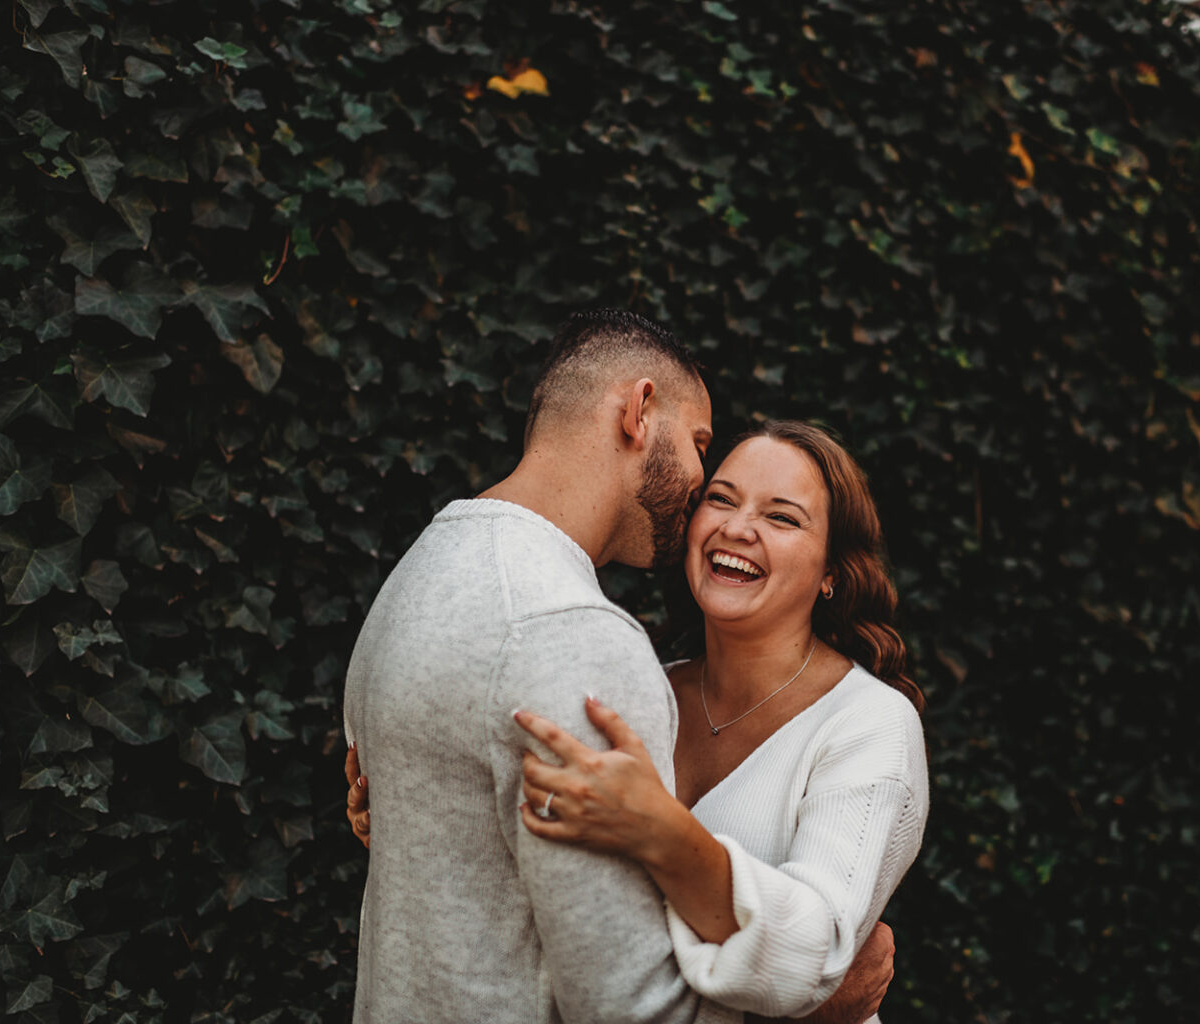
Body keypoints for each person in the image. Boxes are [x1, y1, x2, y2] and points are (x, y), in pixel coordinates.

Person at [342, 310, 892, 1024]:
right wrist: (816, 1009)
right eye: (700, 447)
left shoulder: (413, 580)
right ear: (638, 412)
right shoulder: (581, 639)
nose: (699, 485)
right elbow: (632, 1009)